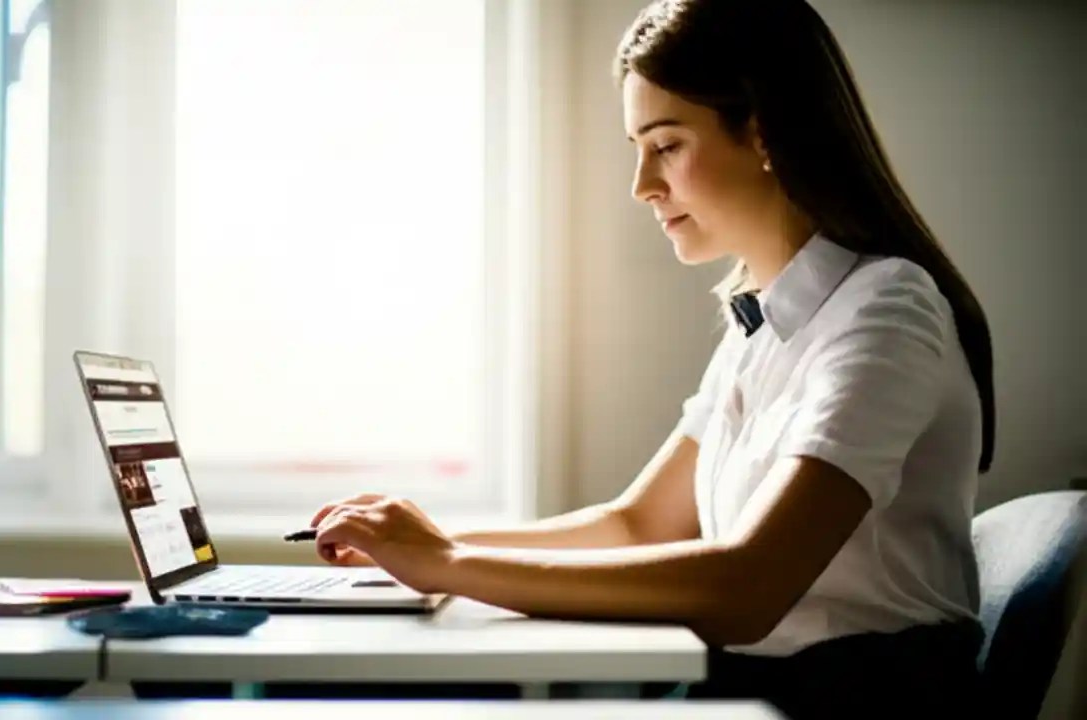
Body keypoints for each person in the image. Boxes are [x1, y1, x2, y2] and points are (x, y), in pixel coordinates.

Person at [308, 0, 994, 715]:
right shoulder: (761, 322)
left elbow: (748, 587)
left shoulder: (886, 310)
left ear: (765, 133)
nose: (642, 186)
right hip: (761, 693)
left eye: (665, 145)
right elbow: (638, 526)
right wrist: (416, 543)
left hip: (856, 702)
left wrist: (448, 563)